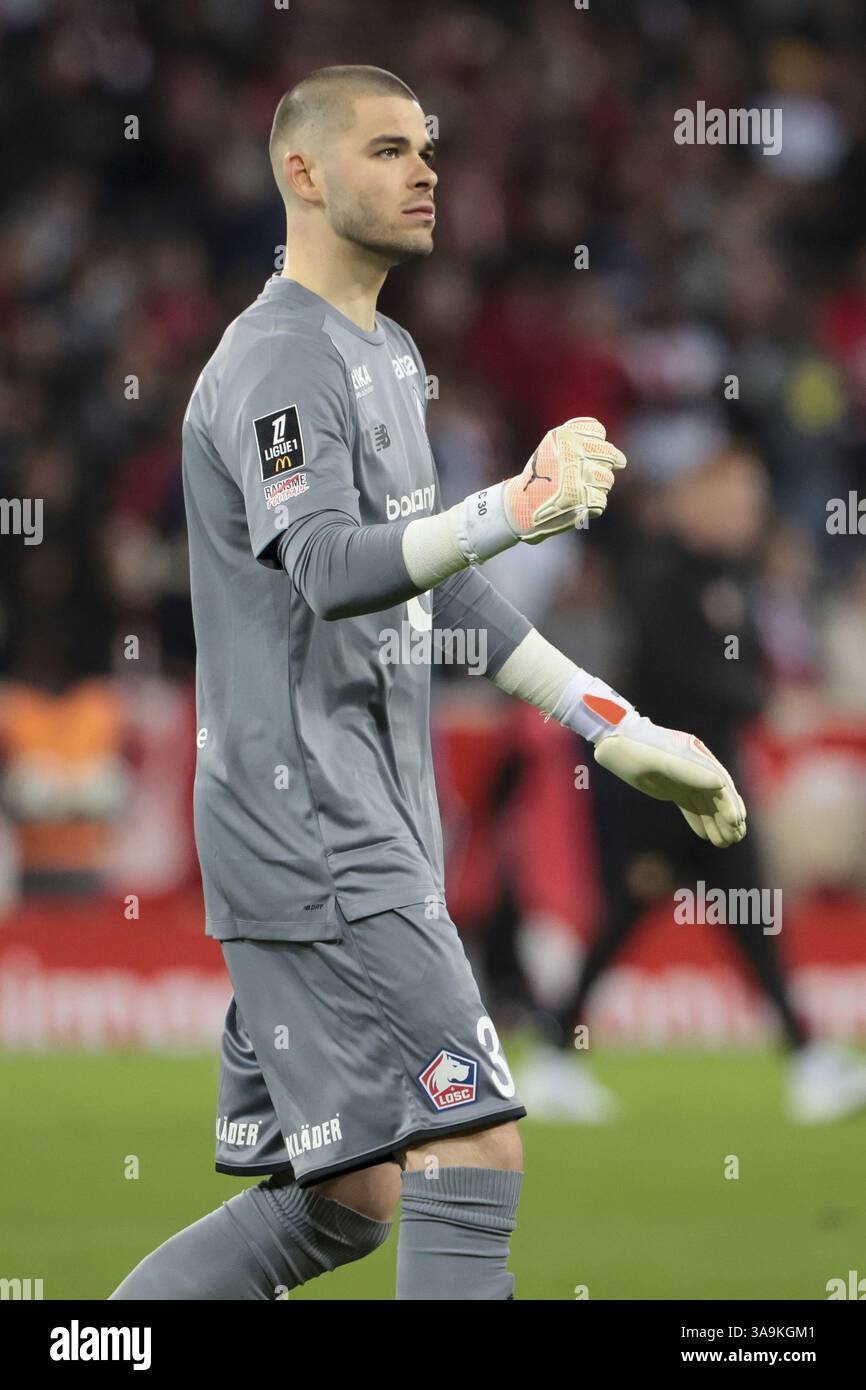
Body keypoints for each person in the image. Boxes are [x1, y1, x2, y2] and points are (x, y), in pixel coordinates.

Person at [110, 65, 744, 1301]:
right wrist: (508, 504)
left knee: (342, 1200)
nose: (425, 171)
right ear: (302, 174)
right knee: (473, 1144)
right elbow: (334, 567)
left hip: (366, 823)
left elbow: (431, 584)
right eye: (389, 149)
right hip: (312, 829)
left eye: (429, 150)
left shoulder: (387, 354)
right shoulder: (276, 361)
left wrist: (605, 720)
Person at [521, 445, 866, 1125]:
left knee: (745, 919)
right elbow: (668, 675)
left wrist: (758, 696)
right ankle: (557, 1049)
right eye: (738, 498)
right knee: (632, 915)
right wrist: (763, 703)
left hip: (715, 781)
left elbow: (738, 667)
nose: (750, 512)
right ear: (703, 499)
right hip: (660, 785)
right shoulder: (659, 571)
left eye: (755, 499)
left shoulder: (731, 576)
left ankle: (803, 1059)